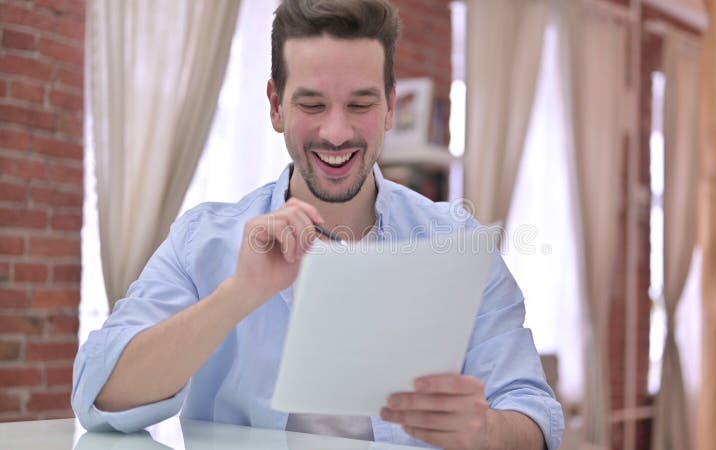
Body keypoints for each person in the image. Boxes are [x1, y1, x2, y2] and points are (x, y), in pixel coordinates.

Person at [71, 1, 564, 449]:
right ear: (274, 105)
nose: (336, 132)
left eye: (360, 104)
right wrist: (239, 294)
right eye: (311, 104)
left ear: (391, 107)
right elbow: (97, 394)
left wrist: (485, 431)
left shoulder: (459, 247)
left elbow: (535, 417)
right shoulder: (203, 239)